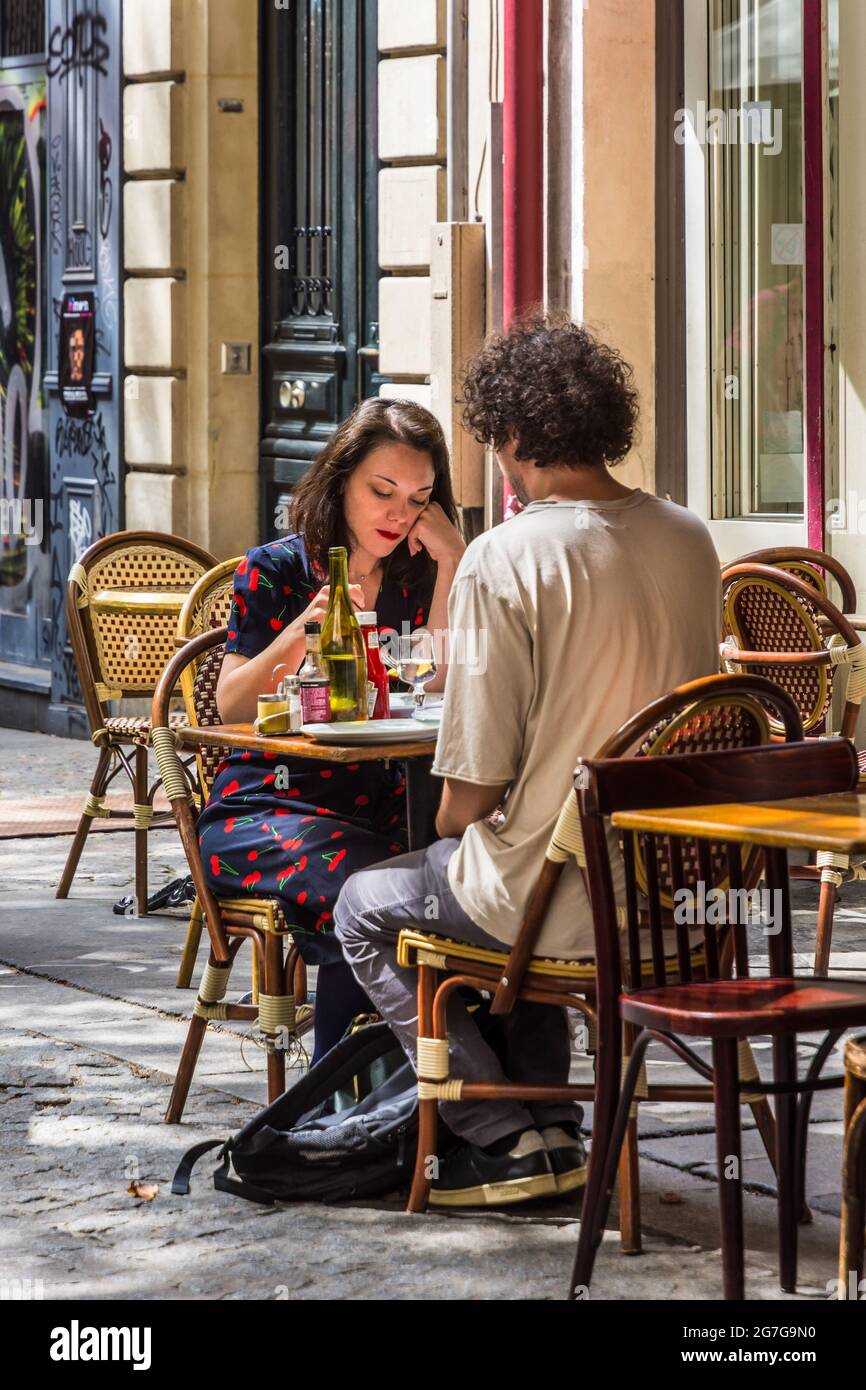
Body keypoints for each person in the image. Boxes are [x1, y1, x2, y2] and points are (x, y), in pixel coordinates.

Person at [334, 311, 722, 1207]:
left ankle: (503, 1135)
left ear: (510, 433)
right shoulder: (692, 537)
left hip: (564, 902)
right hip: (677, 894)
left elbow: (469, 791)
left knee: (371, 900)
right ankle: (559, 1130)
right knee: (524, 859)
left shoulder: (504, 558)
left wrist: (448, 822)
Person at [198, 398, 466, 1062]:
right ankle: (345, 1104)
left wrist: (455, 561)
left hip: (391, 804)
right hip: (268, 808)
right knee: (370, 895)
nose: (400, 513)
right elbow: (230, 704)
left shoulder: (419, 573)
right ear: (339, 479)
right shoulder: (277, 570)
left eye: (420, 497)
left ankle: (411, 1097)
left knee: (459, 890)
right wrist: (301, 631)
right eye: (382, 491)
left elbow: (431, 684)